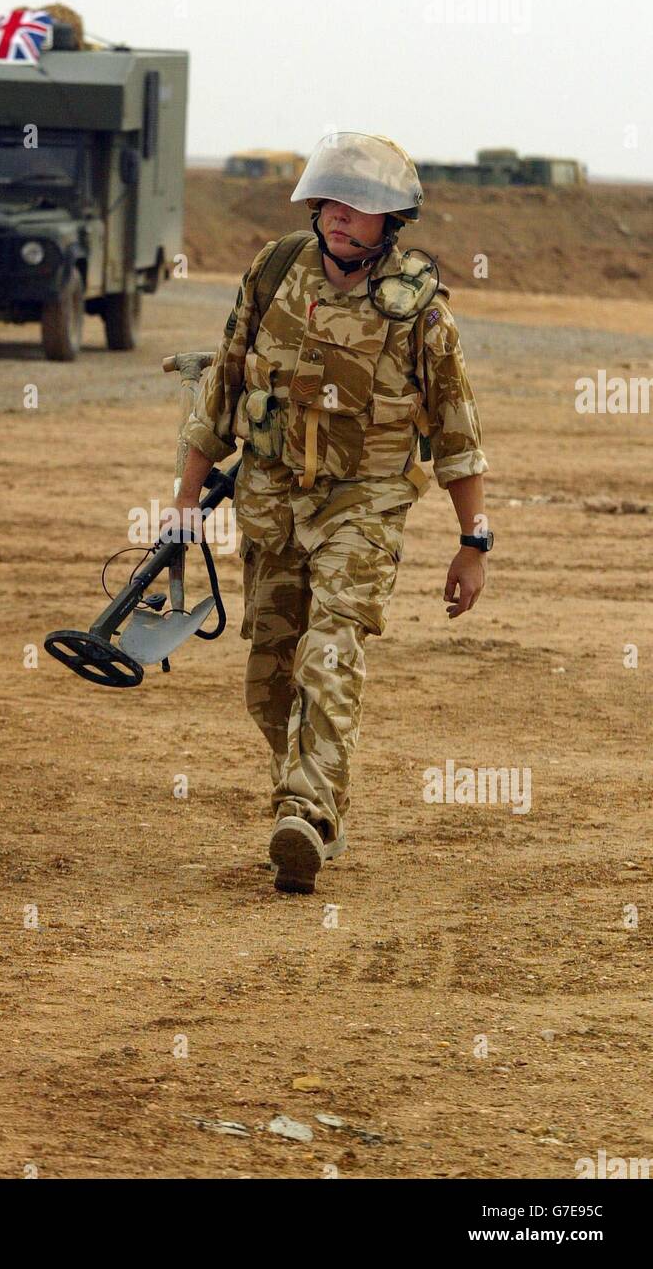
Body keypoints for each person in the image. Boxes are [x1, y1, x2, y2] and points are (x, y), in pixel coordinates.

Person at [163, 132, 491, 894]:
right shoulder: (274, 271)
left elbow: (455, 428)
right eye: (332, 202)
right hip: (273, 501)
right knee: (268, 682)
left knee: (330, 650)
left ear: (391, 220)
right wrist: (183, 502)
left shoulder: (420, 310)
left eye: (362, 207)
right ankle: (311, 799)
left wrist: (473, 541)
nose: (342, 217)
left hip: (364, 505)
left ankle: (305, 813)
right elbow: (222, 387)